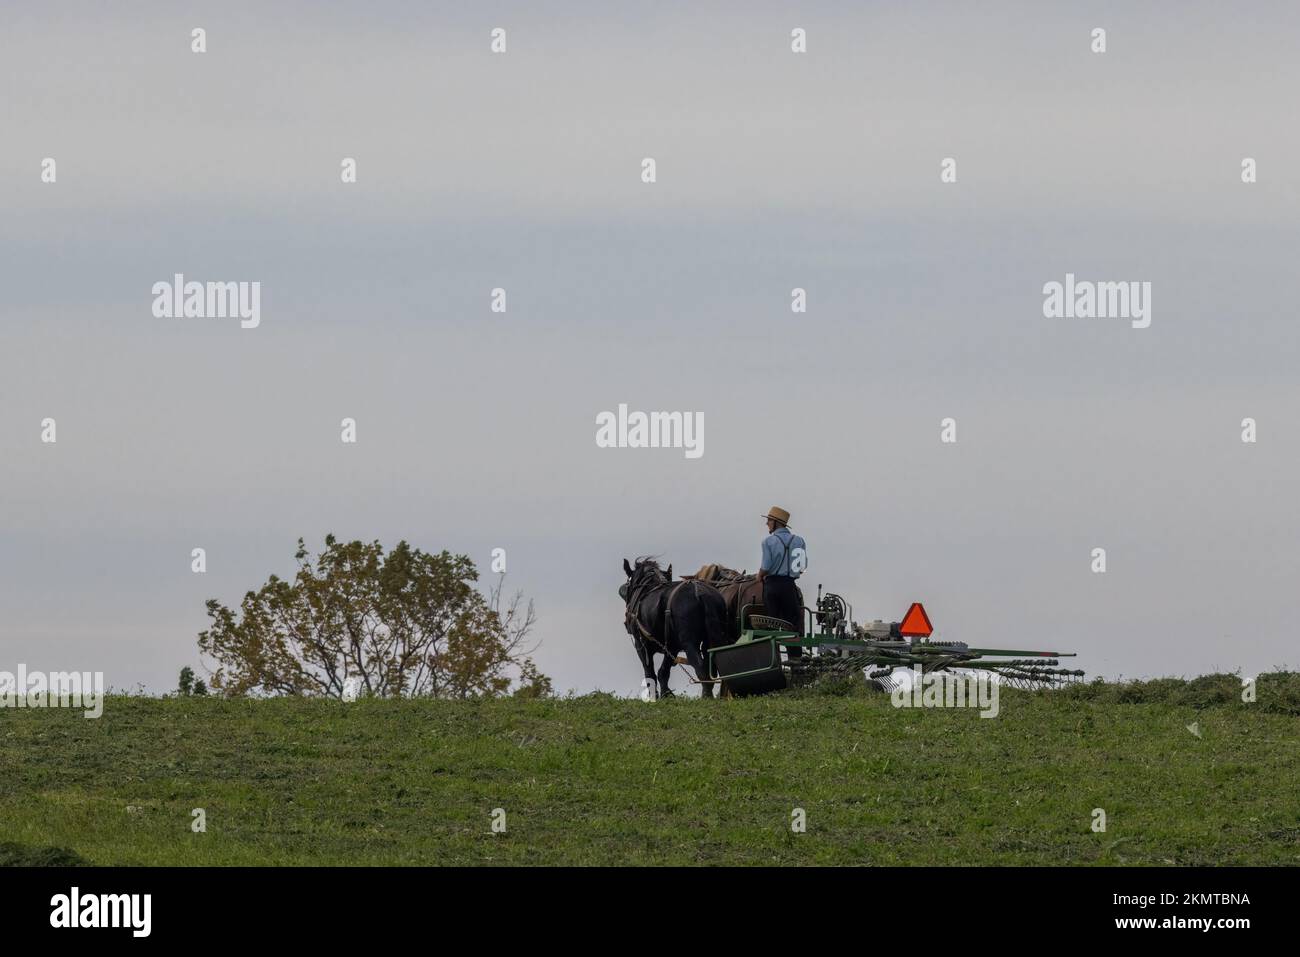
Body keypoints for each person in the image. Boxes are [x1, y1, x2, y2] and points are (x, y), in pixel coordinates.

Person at [755, 506, 807, 658]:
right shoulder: (799, 541)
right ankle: (795, 660)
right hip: (789, 586)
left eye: (769, 521)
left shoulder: (768, 542)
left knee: (771, 625)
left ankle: (772, 659)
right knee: (793, 626)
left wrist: (759, 576)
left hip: (771, 587)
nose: (767, 524)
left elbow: (765, 566)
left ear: (776, 523)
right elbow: (802, 567)